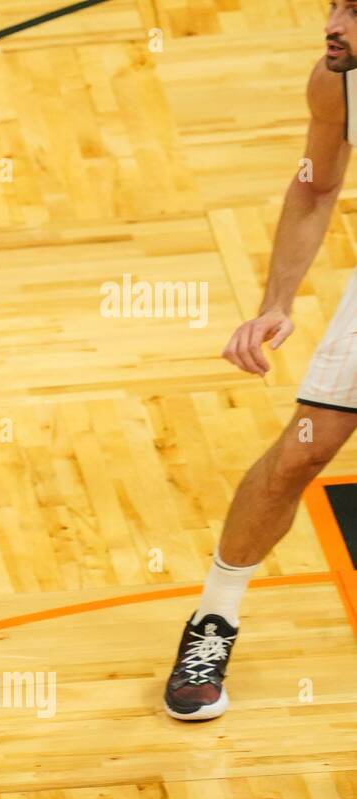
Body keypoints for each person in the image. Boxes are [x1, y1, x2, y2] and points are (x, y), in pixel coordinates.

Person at [165, 8, 357, 720]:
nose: (334, 23)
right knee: (297, 457)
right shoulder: (338, 84)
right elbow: (314, 186)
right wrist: (275, 302)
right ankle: (213, 622)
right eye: (334, 4)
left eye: (355, 12)